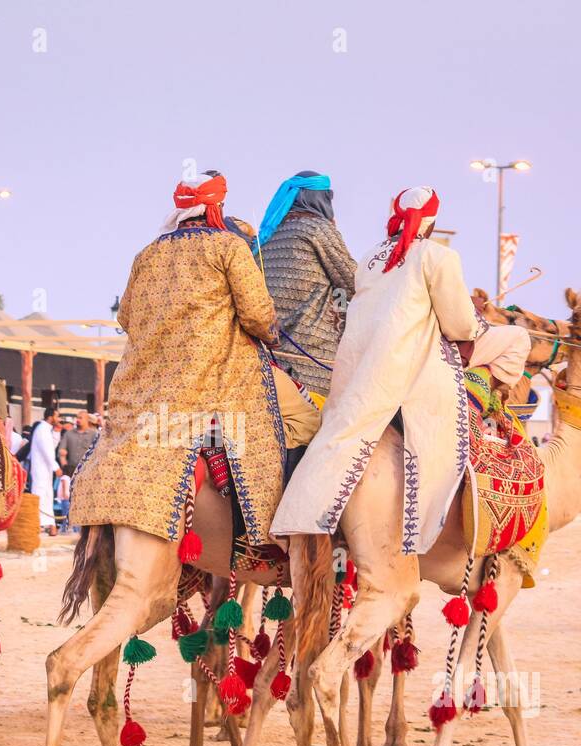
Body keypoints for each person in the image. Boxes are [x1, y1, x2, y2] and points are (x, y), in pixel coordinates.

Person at [273, 186, 529, 554]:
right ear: (433, 220)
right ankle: (481, 413)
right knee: (517, 338)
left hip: (362, 369)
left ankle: (299, 515)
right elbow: (460, 327)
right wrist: (473, 316)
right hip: (420, 363)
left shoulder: (371, 257)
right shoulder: (438, 256)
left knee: (337, 440)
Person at [69, 172, 283, 547]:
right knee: (296, 424)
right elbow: (256, 315)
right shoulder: (228, 247)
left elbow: (126, 318)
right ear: (217, 205)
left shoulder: (148, 253)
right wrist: (273, 334)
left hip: (147, 393)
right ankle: (275, 537)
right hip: (213, 387)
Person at [256, 171, 357, 398]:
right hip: (312, 361)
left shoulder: (267, 236)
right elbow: (353, 282)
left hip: (268, 359)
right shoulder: (317, 229)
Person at [28, 409, 62, 533]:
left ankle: (49, 523)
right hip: (41, 469)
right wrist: (55, 467)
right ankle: (39, 523)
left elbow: (51, 447)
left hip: (45, 470)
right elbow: (46, 451)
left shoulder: (47, 430)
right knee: (40, 495)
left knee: (47, 496)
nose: (59, 419)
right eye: (57, 416)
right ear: (50, 417)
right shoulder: (42, 429)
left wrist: (57, 432)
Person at [59, 410, 97, 477]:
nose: (78, 420)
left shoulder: (94, 435)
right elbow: (61, 452)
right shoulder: (68, 434)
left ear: (87, 420)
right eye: (77, 417)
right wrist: (65, 469)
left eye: (81, 418)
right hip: (70, 471)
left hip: (87, 471)